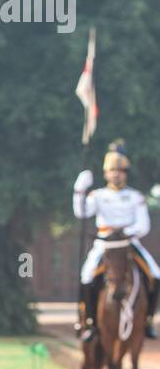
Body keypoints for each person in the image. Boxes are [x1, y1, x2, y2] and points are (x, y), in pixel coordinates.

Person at [74, 140, 159, 340]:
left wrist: (124, 232)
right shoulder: (98, 196)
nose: (116, 174)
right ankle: (91, 323)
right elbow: (81, 212)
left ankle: (147, 321)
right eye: (112, 170)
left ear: (125, 173)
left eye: (120, 170)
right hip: (104, 245)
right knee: (86, 276)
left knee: (155, 274)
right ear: (106, 174)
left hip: (128, 243)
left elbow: (143, 225)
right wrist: (79, 190)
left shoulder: (135, 197)